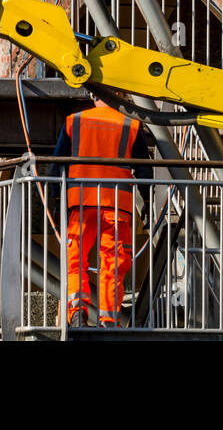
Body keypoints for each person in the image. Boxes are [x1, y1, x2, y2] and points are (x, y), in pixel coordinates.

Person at [53, 100, 152, 327]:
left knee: (74, 259)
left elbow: (57, 164)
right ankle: (109, 320)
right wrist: (146, 199)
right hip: (117, 204)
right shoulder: (130, 125)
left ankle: (78, 312)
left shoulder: (74, 121)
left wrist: (56, 199)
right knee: (113, 263)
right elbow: (144, 168)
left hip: (82, 202)